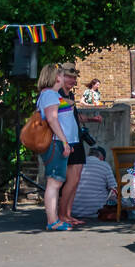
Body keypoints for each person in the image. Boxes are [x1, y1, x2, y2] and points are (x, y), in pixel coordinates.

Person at [35, 62, 78, 232]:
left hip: (55, 142)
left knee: (56, 182)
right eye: (60, 74)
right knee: (54, 183)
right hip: (55, 143)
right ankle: (53, 221)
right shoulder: (50, 95)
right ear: (55, 77)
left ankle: (53, 220)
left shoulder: (47, 95)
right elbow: (53, 119)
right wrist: (64, 141)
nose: (62, 77)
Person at [57, 64, 91, 227]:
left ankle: (68, 214)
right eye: (69, 76)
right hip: (66, 140)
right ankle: (62, 215)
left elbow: (75, 116)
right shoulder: (56, 94)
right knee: (70, 180)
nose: (72, 80)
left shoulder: (68, 94)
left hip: (76, 139)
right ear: (60, 77)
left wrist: (92, 119)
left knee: (76, 179)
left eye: (74, 77)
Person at [71, 146, 118, 219]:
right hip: (97, 212)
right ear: (102, 158)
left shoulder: (78, 164)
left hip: (74, 212)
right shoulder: (105, 165)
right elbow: (114, 189)